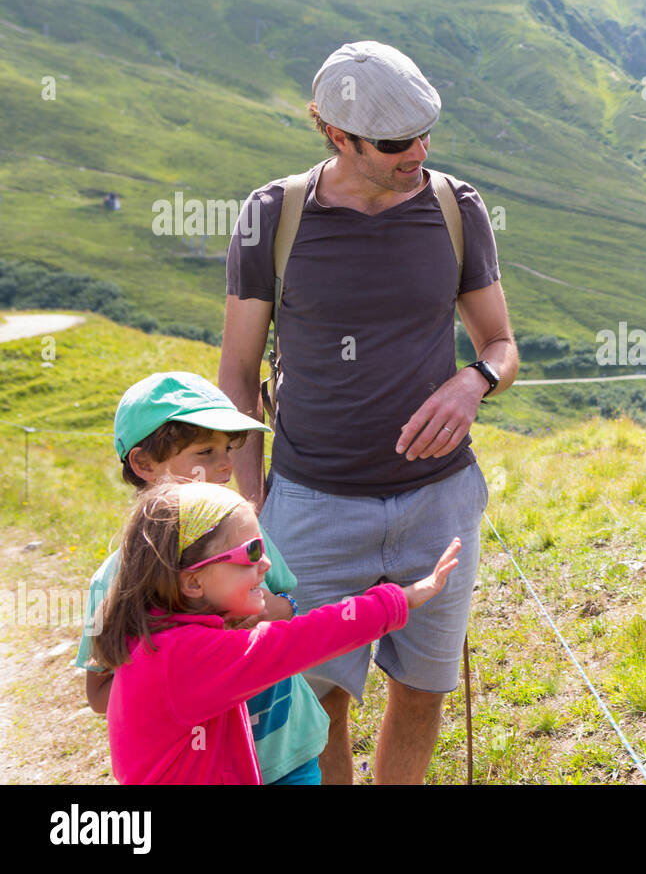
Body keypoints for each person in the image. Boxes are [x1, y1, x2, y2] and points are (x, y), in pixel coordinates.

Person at [220, 40, 519, 784]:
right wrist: (250, 506)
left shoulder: (457, 207)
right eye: (394, 142)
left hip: (438, 503)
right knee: (318, 703)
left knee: (421, 694)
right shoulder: (273, 216)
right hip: (311, 508)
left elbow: (503, 343)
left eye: (426, 132)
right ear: (334, 133)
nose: (417, 151)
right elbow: (236, 373)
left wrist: (473, 381)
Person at [93, 480, 459, 784]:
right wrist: (401, 599)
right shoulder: (191, 656)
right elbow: (311, 636)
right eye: (251, 552)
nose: (266, 563)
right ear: (193, 582)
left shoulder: (163, 636)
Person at [74, 371, 331, 784]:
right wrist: (177, 670)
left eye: (228, 448)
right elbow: (100, 695)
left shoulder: (250, 537)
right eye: (205, 452)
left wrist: (264, 614)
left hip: (286, 752)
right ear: (144, 464)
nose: (226, 464)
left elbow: (288, 608)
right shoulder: (114, 579)